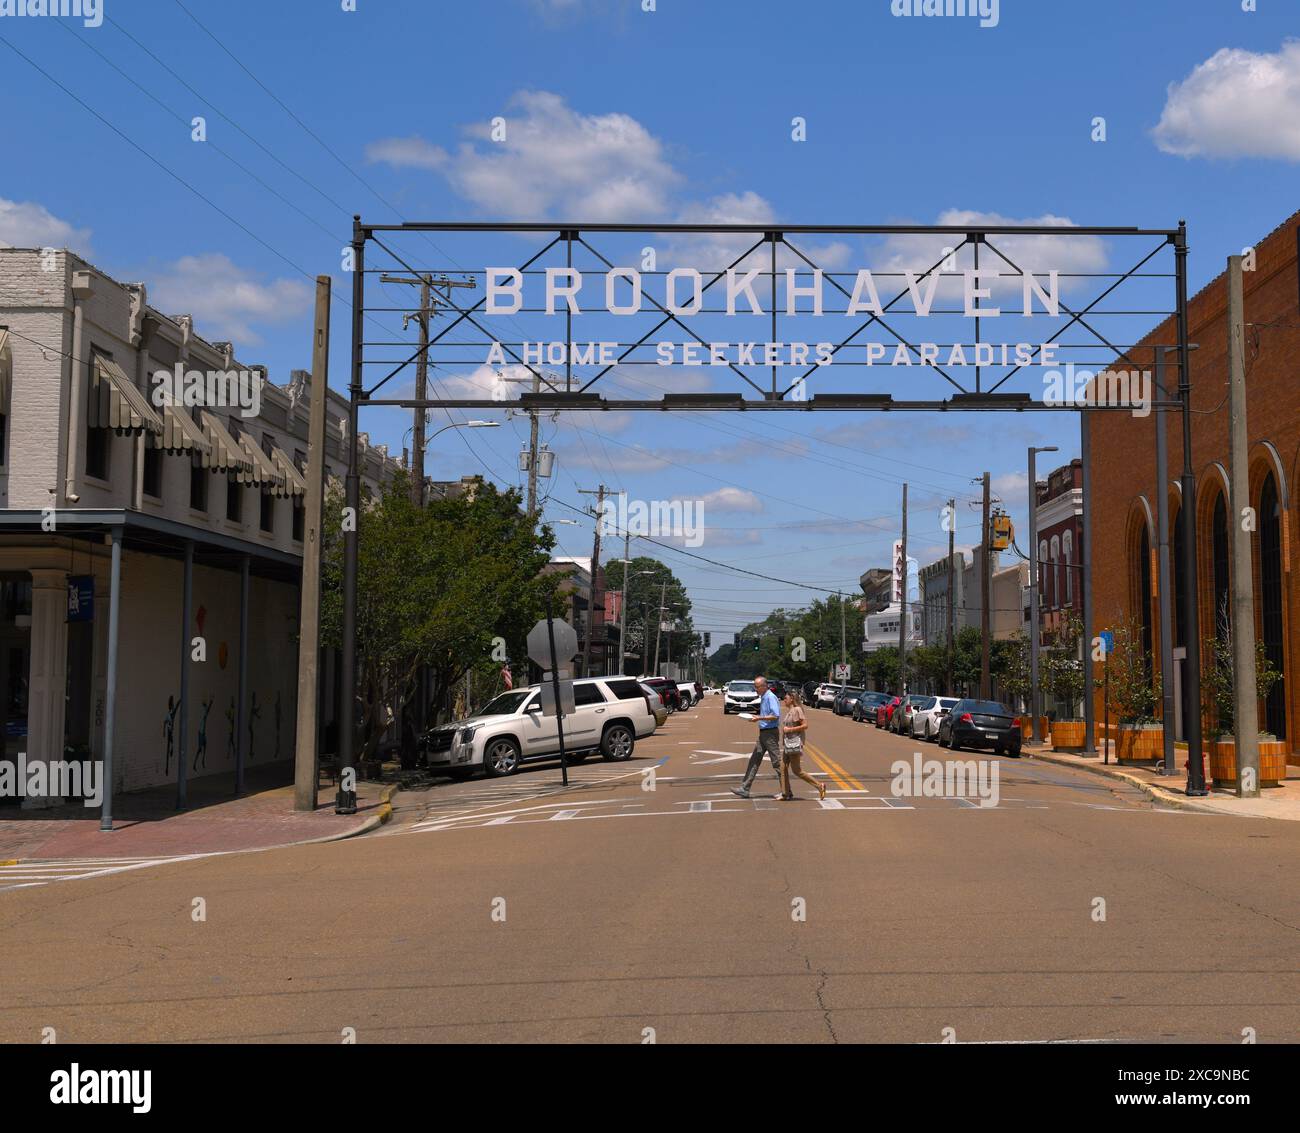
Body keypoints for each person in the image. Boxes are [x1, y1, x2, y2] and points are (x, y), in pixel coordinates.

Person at [732, 675, 782, 799]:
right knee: (754, 760)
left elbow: (775, 715)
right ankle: (745, 788)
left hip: (770, 733)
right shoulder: (764, 697)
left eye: (757, 686)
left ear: (765, 686)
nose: (756, 689)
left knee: (777, 763)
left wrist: (759, 718)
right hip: (763, 733)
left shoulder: (770, 697)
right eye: (755, 686)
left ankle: (787, 790)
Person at [779, 688, 824, 801]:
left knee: (796, 770)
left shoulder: (797, 710)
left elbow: (805, 725)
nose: (784, 700)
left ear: (792, 699)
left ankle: (819, 785)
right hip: (788, 744)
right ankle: (786, 793)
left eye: (786, 698)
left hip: (793, 744)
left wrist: (790, 730)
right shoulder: (790, 710)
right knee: (783, 767)